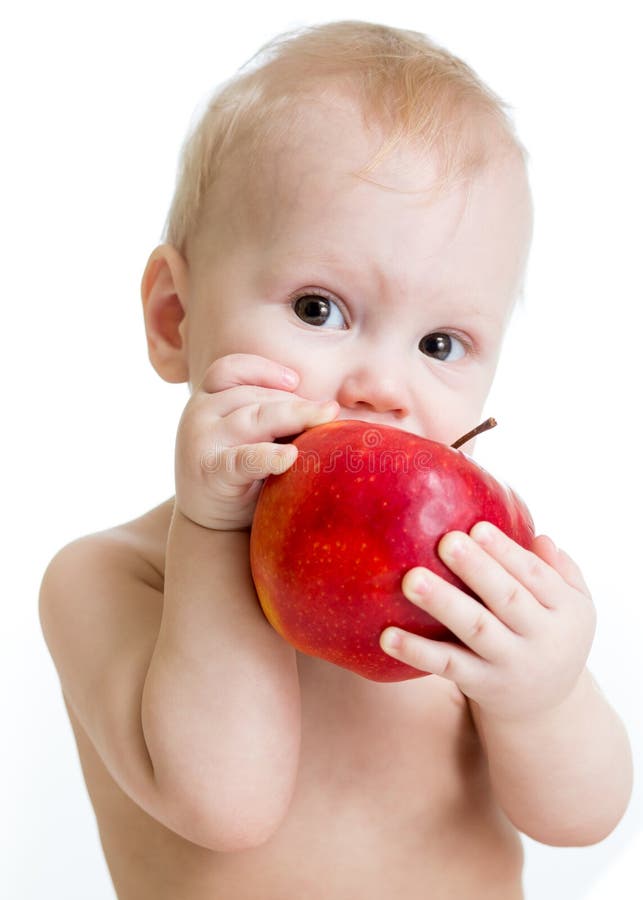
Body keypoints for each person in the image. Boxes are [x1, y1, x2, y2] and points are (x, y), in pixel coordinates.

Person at [38, 20, 633, 899]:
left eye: (439, 342)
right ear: (175, 320)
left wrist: (541, 695)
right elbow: (224, 804)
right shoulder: (112, 580)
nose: (380, 389)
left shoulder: (460, 584)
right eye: (318, 309)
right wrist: (211, 529)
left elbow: (582, 820)